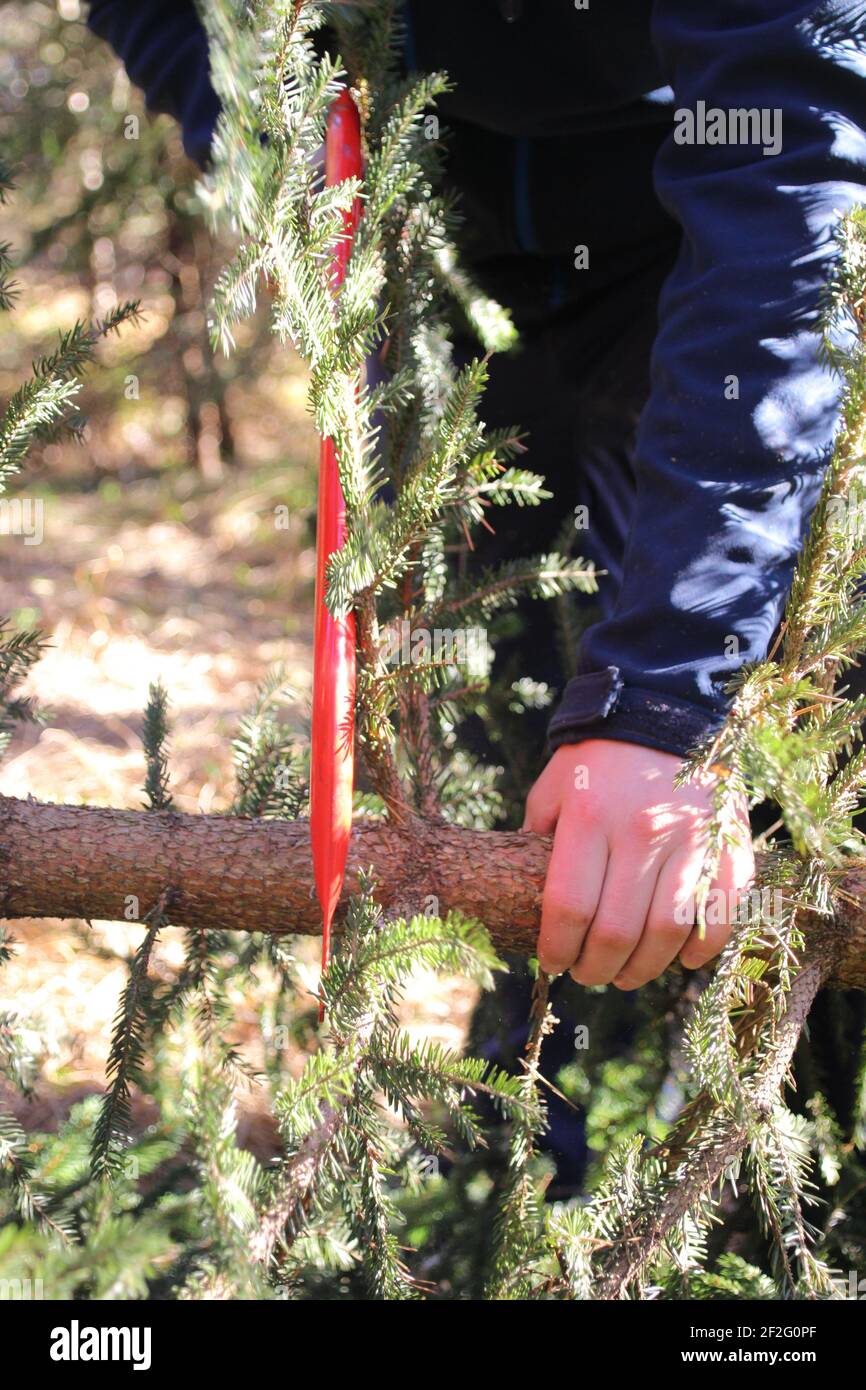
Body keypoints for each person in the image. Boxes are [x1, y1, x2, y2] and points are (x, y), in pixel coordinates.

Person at [84, 0, 866, 992]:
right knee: (524, 753)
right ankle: (534, 1096)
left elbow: (785, 182)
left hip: (698, 231)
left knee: (746, 753)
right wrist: (256, 126)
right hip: (443, 236)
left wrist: (664, 697)